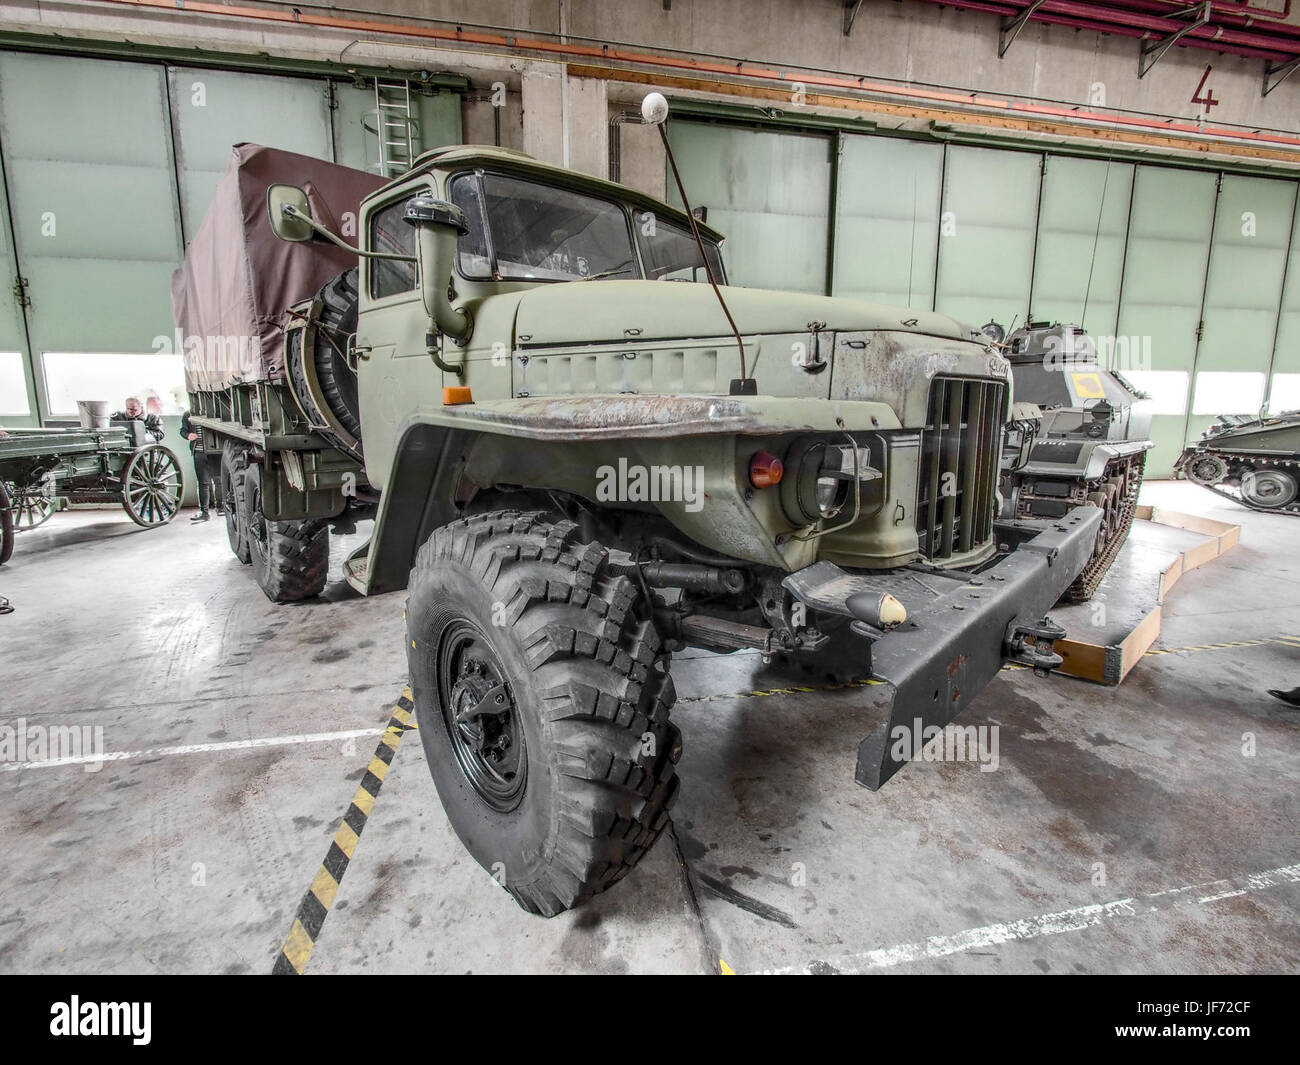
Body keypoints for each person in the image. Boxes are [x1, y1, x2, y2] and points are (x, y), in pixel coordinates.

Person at [180, 407, 214, 522]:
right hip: (199, 452)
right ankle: (204, 512)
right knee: (203, 482)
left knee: (218, 480)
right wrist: (188, 435)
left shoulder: (213, 411)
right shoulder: (188, 414)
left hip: (214, 452)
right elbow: (183, 431)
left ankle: (221, 508)